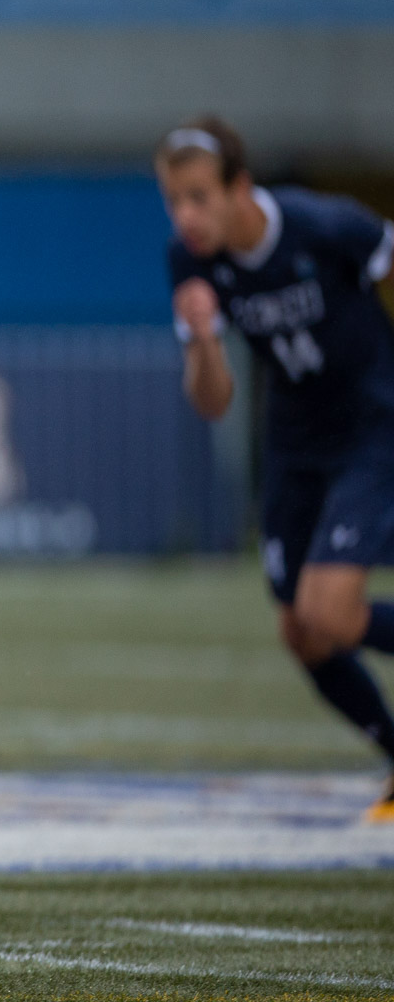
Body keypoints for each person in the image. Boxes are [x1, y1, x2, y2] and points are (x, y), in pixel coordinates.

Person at [159, 116, 394, 821]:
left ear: (240, 187)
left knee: (331, 609)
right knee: (302, 630)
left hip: (370, 430)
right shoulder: (190, 262)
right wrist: (202, 339)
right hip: (295, 447)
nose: (187, 217)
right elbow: (213, 402)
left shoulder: (323, 226)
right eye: (174, 200)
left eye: (200, 197)